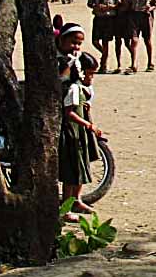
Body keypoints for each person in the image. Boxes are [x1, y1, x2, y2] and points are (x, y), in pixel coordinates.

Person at [59, 49, 102, 221]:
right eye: (90, 73)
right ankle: (66, 208)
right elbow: (69, 112)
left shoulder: (81, 89)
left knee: (80, 169)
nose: (92, 78)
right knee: (71, 172)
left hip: (79, 134)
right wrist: (88, 124)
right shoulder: (73, 89)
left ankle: (76, 200)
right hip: (72, 133)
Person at [87, 0, 121, 73]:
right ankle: (104, 53)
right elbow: (89, 3)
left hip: (109, 18)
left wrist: (112, 7)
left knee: (106, 41)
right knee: (95, 41)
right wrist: (96, 6)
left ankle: (104, 65)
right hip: (98, 17)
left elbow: (118, 4)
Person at [126, 0, 156, 73]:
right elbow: (129, 4)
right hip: (134, 16)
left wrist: (150, 8)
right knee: (134, 40)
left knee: (147, 40)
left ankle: (150, 62)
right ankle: (134, 64)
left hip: (145, 17)